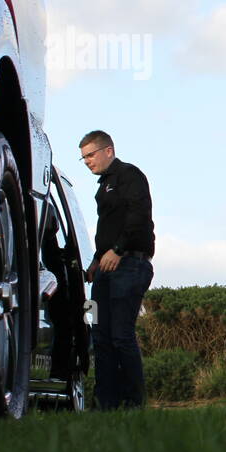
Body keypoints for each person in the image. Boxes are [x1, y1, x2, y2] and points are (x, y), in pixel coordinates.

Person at [80, 130, 155, 410]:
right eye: (83, 157)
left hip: (130, 265)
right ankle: (104, 405)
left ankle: (134, 403)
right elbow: (107, 229)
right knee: (100, 335)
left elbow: (138, 217)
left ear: (108, 151)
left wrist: (119, 250)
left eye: (91, 155)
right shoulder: (103, 186)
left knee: (121, 334)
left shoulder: (129, 176)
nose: (87, 161)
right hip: (105, 269)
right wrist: (97, 259)